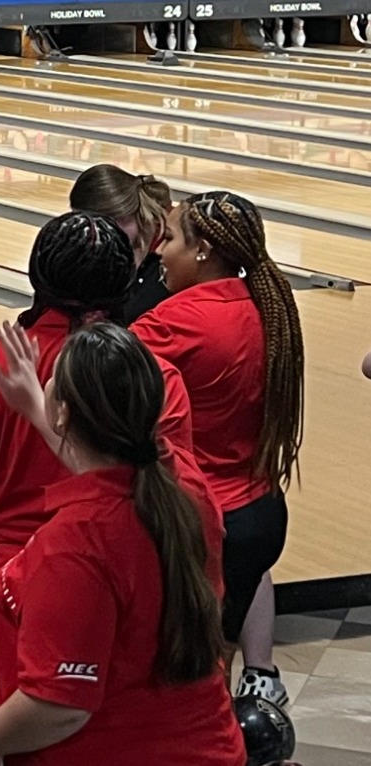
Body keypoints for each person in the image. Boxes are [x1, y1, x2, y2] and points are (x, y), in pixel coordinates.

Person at [0, 322, 244, 766]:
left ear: (66, 414)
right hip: (206, 746)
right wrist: (35, 404)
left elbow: (60, 706)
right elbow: (106, 464)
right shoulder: (186, 489)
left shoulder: (77, 545)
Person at [0, 212, 196, 613]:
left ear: (39, 276)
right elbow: (173, 490)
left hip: (9, 568)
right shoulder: (157, 375)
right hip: (116, 565)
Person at [130, 191, 304, 706]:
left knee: (177, 687)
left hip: (198, 523)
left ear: (203, 249)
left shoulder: (173, 322)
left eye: (173, 238)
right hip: (260, 514)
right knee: (214, 671)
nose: (160, 250)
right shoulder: (271, 308)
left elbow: (93, 382)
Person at [68, 164, 173, 323]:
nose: (88, 235)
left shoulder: (173, 254)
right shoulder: (97, 249)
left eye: (97, 227)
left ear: (125, 217)